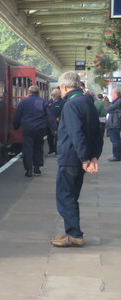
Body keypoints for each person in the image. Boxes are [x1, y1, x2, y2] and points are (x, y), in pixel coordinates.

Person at [52, 71, 102, 247]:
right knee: (71, 195)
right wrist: (94, 156)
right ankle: (72, 232)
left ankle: (74, 234)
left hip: (70, 158)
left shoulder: (71, 105)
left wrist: (84, 159)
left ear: (64, 87)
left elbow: (76, 134)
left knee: (65, 196)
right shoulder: (88, 102)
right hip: (80, 157)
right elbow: (98, 131)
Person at [13, 85, 53, 177]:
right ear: (38, 92)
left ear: (29, 92)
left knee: (27, 149)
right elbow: (49, 116)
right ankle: (37, 168)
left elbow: (17, 115)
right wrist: (53, 129)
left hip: (28, 129)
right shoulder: (43, 101)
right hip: (40, 129)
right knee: (38, 148)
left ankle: (28, 170)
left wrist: (16, 126)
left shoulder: (23, 102)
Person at [47, 88, 64, 155]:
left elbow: (64, 111)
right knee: (49, 137)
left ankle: (57, 151)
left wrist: (59, 117)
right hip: (50, 123)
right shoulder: (49, 101)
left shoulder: (63, 102)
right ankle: (51, 150)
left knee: (58, 138)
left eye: (53, 94)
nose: (52, 95)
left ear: (58, 95)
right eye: (52, 94)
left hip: (58, 122)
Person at [107, 87, 121, 162]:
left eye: (111, 94)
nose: (111, 95)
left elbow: (108, 109)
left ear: (115, 94)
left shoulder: (118, 101)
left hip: (115, 123)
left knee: (115, 141)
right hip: (113, 122)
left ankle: (117, 155)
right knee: (116, 140)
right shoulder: (116, 101)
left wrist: (108, 106)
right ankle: (117, 154)